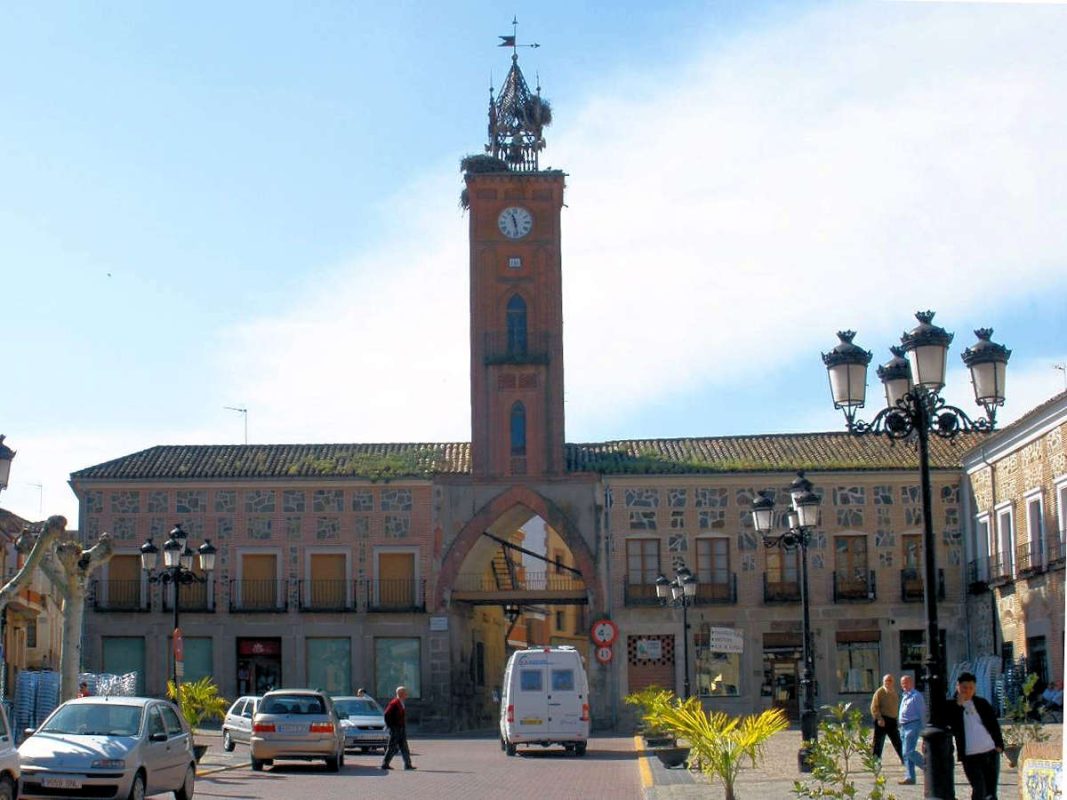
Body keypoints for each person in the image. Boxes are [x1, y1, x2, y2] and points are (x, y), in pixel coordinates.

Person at [948, 671, 1004, 800]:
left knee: (991, 792)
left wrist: (999, 744)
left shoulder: (982, 703)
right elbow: (951, 724)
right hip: (970, 755)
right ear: (958, 687)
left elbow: (994, 725)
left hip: (990, 751)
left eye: (971, 688)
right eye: (964, 688)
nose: (967, 691)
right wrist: (958, 706)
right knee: (979, 788)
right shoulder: (951, 706)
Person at [897, 674, 926, 785]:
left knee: (908, 751)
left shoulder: (916, 696)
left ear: (911, 683)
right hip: (903, 727)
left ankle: (928, 767)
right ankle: (910, 777)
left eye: (906, 682)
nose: (904, 685)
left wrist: (924, 730)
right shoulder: (905, 696)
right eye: (902, 683)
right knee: (905, 754)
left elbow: (922, 713)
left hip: (913, 725)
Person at [870, 673, 904, 763]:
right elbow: (874, 707)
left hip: (892, 721)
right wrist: (879, 718)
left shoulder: (894, 692)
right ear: (883, 682)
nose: (888, 682)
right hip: (882, 720)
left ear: (893, 682)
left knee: (897, 742)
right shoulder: (879, 692)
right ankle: (876, 762)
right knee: (878, 743)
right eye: (886, 680)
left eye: (890, 680)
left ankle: (904, 760)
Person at [381, 686, 415, 771]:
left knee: (404, 747)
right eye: (405, 693)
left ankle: (408, 764)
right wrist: (390, 726)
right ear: (401, 693)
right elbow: (386, 714)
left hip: (401, 728)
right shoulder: (394, 703)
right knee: (392, 747)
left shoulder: (401, 702)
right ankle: (385, 764)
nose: (406, 694)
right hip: (396, 728)